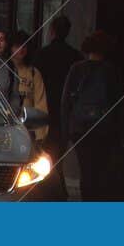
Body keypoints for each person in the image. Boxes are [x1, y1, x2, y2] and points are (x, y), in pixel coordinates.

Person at [61, 29, 121, 200]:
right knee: (101, 170)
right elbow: (118, 103)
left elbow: (66, 101)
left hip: (80, 128)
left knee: (86, 170)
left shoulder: (77, 69)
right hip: (104, 128)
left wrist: (66, 131)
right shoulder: (111, 71)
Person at [32, 15, 81, 153]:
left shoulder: (42, 54)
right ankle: (58, 170)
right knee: (60, 144)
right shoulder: (75, 56)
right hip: (66, 105)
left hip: (45, 102)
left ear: (52, 30)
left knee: (45, 145)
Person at [10, 31, 50, 140]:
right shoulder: (4, 70)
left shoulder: (33, 73)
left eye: (25, 46)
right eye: (17, 46)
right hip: (6, 127)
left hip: (27, 129)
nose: (22, 49)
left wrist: (41, 134)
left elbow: (40, 103)